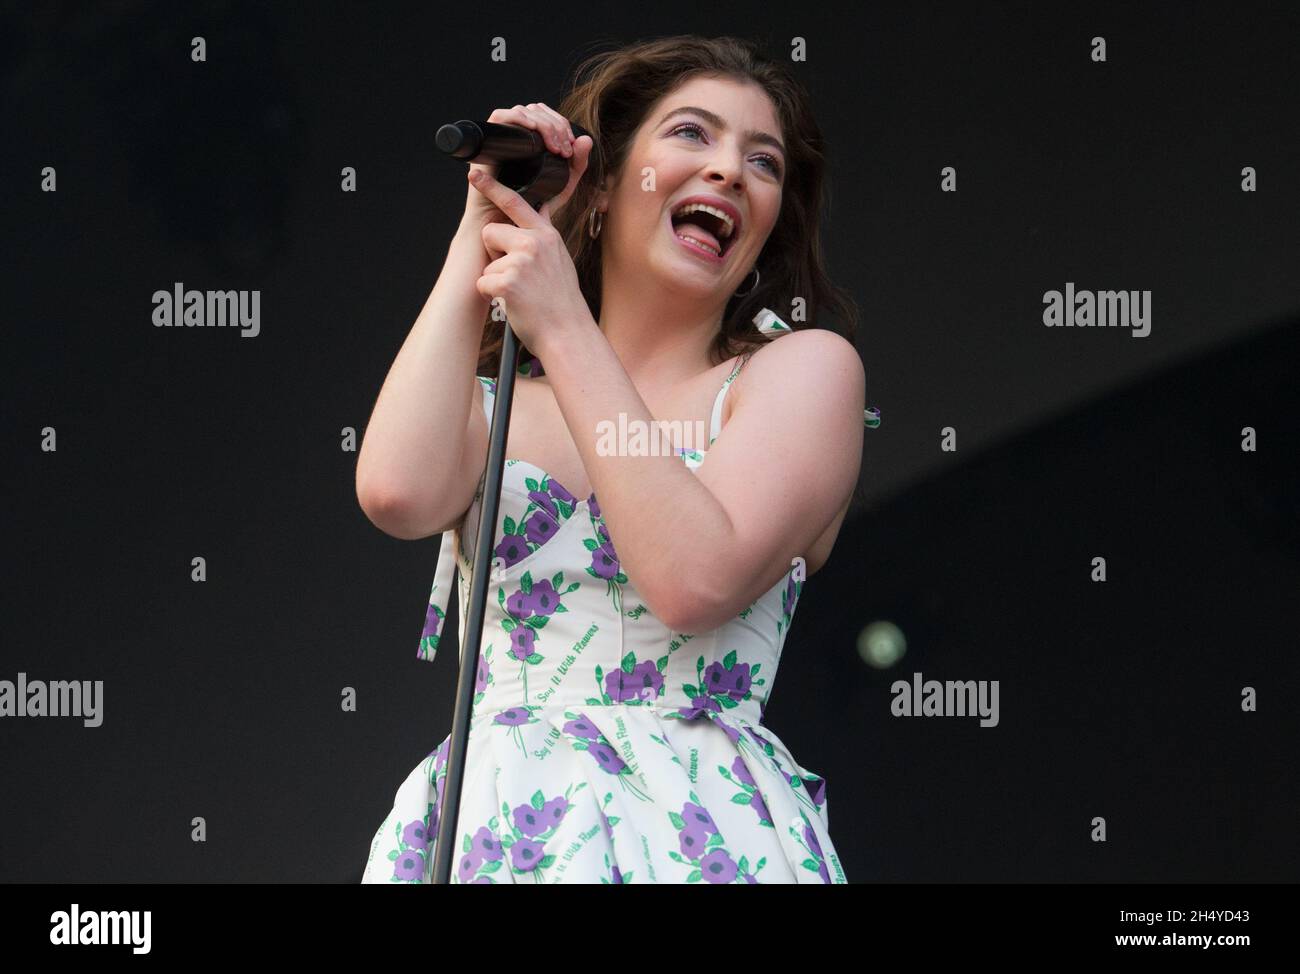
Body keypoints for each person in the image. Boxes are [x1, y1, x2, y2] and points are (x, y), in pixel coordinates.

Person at [356, 35, 877, 884]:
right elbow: (395, 494)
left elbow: (693, 580)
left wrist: (563, 323)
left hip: (698, 828)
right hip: (496, 825)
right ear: (601, 187)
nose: (729, 170)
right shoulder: (494, 400)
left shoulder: (800, 374)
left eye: (764, 162)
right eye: (692, 133)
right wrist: (481, 227)